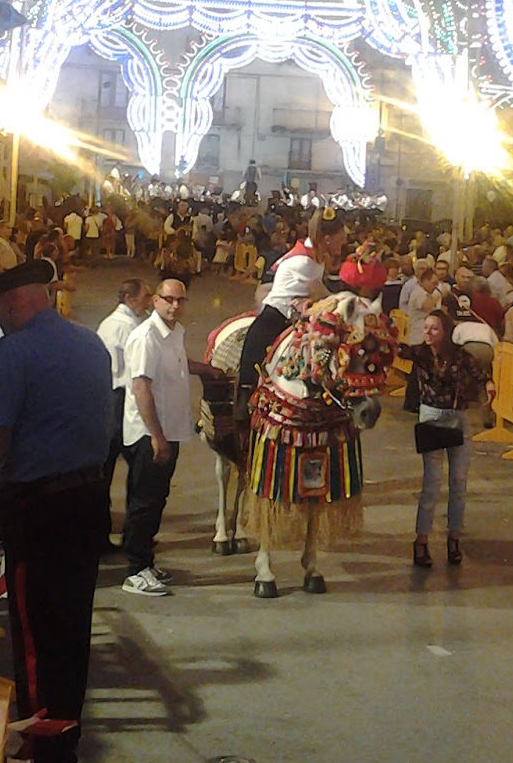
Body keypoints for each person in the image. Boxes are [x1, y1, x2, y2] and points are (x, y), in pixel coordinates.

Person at [0, 259, 113, 763]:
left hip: (39, 511)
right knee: (71, 638)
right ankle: (61, 752)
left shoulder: (15, 352)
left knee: (38, 646)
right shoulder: (89, 344)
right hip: (87, 502)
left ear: (13, 302)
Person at [120, 279, 220, 596]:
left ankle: (146, 563)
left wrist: (206, 369)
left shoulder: (173, 333)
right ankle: (135, 571)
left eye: (180, 300)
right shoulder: (146, 337)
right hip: (150, 434)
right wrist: (156, 436)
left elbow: (178, 363)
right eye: (168, 299)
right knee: (144, 502)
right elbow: (141, 387)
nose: (175, 306)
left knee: (157, 499)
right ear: (155, 301)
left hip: (169, 430)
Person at [397, 309, 495, 569]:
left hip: (457, 418)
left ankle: (454, 538)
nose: (428, 333)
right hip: (431, 417)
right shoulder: (420, 354)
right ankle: (421, 540)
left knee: (458, 482)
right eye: (426, 328)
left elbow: (482, 375)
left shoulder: (461, 356)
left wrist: (489, 388)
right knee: (431, 484)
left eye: (434, 328)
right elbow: (396, 350)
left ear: (446, 331)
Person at [235, 207, 348, 422]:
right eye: (340, 239)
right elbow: (322, 294)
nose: (342, 243)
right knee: (254, 346)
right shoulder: (304, 261)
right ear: (327, 239)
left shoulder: (316, 256)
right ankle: (244, 397)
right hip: (278, 314)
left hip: (298, 314)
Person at [96, 279, 152, 542]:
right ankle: (133, 533)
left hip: (110, 397)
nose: (149, 302)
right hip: (120, 399)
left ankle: (103, 531)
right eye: (145, 296)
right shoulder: (127, 327)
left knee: (105, 470)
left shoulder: (112, 323)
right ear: (130, 298)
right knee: (138, 467)